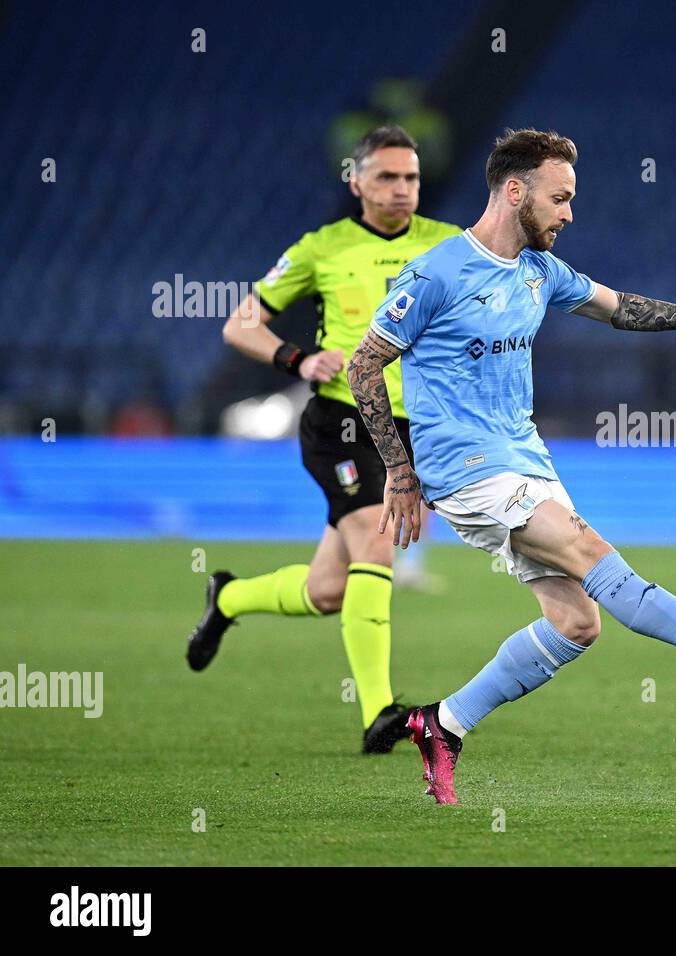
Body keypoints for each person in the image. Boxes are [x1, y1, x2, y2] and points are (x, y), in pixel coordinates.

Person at [347, 128, 676, 803]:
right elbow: (364, 366)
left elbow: (623, 310)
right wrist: (403, 471)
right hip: (465, 468)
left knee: (575, 623)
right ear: (514, 191)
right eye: (559, 199)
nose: (568, 213)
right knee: (587, 548)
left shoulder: (540, 271)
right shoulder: (436, 273)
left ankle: (441, 724)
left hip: (522, 457)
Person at [185, 126, 461, 754]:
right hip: (343, 425)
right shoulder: (322, 247)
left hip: (416, 430)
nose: (401, 189)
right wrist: (297, 358)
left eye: (411, 178)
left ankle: (228, 596)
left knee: (330, 590)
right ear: (356, 181)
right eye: (387, 177)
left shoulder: (449, 246)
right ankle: (378, 715)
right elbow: (241, 323)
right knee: (376, 538)